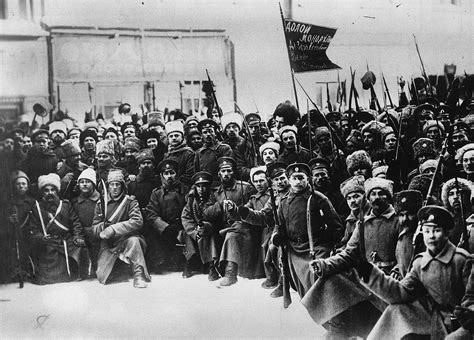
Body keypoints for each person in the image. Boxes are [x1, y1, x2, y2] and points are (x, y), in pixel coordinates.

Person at [355, 206, 471, 339]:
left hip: (464, 323)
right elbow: (401, 292)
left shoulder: (461, 260)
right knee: (396, 309)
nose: (431, 236)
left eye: (437, 230)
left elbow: (471, 297)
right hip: (436, 320)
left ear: (446, 234)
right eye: (427, 231)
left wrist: (468, 315)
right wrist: (371, 274)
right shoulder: (420, 263)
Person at [276, 163, 343, 297]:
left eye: (301, 178)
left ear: (308, 178)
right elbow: (280, 225)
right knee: (302, 285)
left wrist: (329, 244)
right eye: (294, 178)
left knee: (320, 279)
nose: (298, 182)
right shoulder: (284, 202)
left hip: (317, 247)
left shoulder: (318, 198)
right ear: (289, 180)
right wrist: (278, 236)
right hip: (295, 249)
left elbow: (336, 226)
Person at [238, 161, 290, 296]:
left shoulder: (296, 191)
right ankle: (280, 281)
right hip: (281, 231)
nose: (280, 182)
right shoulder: (275, 196)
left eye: (282, 178)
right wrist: (246, 213)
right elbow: (264, 216)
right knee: (272, 248)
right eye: (276, 179)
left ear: (289, 178)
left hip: (298, 231)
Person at [91, 170, 150, 288]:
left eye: (117, 184)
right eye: (112, 184)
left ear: (122, 186)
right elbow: (94, 228)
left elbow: (137, 221)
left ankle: (138, 275)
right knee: (104, 276)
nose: (114, 188)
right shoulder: (101, 204)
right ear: (108, 186)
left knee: (134, 241)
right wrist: (103, 227)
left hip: (126, 239)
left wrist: (113, 228)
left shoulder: (130, 201)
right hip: (109, 243)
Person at [27, 173, 89, 284]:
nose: (50, 193)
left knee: (80, 249)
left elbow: (75, 223)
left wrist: (77, 236)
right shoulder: (37, 208)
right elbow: (33, 229)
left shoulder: (65, 205)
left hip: (66, 241)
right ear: (42, 192)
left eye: (53, 190)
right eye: (46, 190)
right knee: (45, 261)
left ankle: (77, 273)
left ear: (57, 191)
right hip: (48, 242)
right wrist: (40, 238)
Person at [207, 156, 256, 286]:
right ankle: (213, 268)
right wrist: (220, 205)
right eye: (223, 171)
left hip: (244, 228)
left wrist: (239, 211)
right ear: (219, 173)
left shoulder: (245, 188)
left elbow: (254, 207)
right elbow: (207, 213)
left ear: (233, 172)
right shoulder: (216, 192)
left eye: (229, 170)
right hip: (224, 227)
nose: (226, 174)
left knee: (232, 235)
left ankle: (230, 273)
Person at [145, 159, 189, 275]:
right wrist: (164, 227)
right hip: (165, 230)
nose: (169, 176)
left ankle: (188, 263)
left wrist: (181, 226)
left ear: (177, 174)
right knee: (152, 235)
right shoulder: (157, 193)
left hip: (182, 227)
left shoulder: (186, 190)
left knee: (187, 236)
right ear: (161, 175)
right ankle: (159, 263)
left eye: (172, 173)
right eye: (166, 173)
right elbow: (151, 213)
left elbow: (190, 209)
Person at [181, 171, 222, 281]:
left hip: (211, 228)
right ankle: (188, 261)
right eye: (198, 186)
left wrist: (206, 226)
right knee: (184, 234)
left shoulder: (214, 198)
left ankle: (212, 265)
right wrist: (194, 231)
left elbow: (218, 216)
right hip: (195, 229)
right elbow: (185, 217)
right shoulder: (191, 199)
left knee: (210, 235)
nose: (201, 189)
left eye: (204, 186)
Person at [1, 171, 34, 283]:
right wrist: (8, 220)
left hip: (27, 233)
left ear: (28, 186)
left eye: (24, 184)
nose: (21, 186)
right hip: (12, 234)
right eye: (18, 184)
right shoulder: (8, 203)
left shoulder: (31, 202)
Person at [71, 168, 101, 275]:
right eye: (82, 182)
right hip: (82, 236)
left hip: (97, 235)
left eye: (87, 182)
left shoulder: (101, 200)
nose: (84, 184)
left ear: (93, 184)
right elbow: (74, 221)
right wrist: (78, 236)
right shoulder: (75, 202)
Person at [390, 189, 423, 279]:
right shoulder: (403, 236)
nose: (405, 219)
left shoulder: (426, 237)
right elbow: (404, 261)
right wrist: (397, 269)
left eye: (410, 214)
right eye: (401, 215)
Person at [309, 157, 350, 221]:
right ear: (312, 178)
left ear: (328, 176)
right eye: (316, 175)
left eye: (323, 174)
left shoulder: (338, 195)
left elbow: (345, 214)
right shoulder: (309, 196)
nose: (320, 177)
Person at [194, 119, 233, 185]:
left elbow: (230, 170)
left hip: (221, 186)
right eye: (205, 132)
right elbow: (196, 173)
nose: (208, 134)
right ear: (201, 135)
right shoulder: (199, 153)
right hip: (205, 186)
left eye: (211, 131)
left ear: (215, 133)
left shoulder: (224, 148)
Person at [234, 113, 267, 181]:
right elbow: (240, 169)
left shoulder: (266, 142)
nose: (253, 130)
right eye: (250, 127)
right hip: (249, 180)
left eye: (256, 127)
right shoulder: (241, 147)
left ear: (260, 127)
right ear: (246, 128)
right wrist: (256, 171)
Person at [163, 120, 195, 186]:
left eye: (176, 135)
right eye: (171, 136)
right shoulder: (167, 155)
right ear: (168, 139)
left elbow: (189, 174)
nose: (174, 138)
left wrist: (175, 183)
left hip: (184, 187)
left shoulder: (189, 153)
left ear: (182, 137)